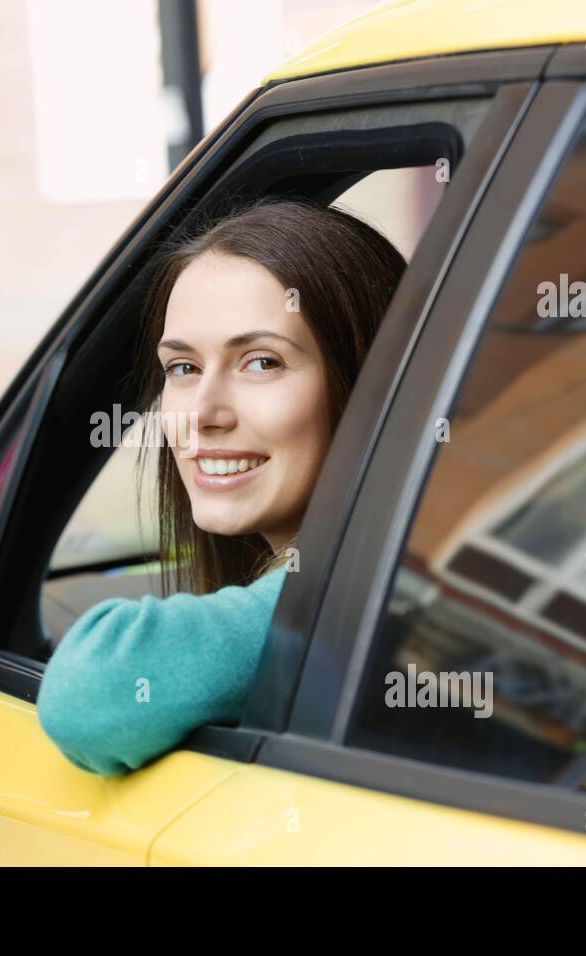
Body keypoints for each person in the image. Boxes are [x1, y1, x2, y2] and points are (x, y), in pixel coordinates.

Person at [37, 195, 407, 775]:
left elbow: (88, 694)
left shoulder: (359, 598)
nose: (203, 412)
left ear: (367, 384)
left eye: (262, 362)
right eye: (183, 368)